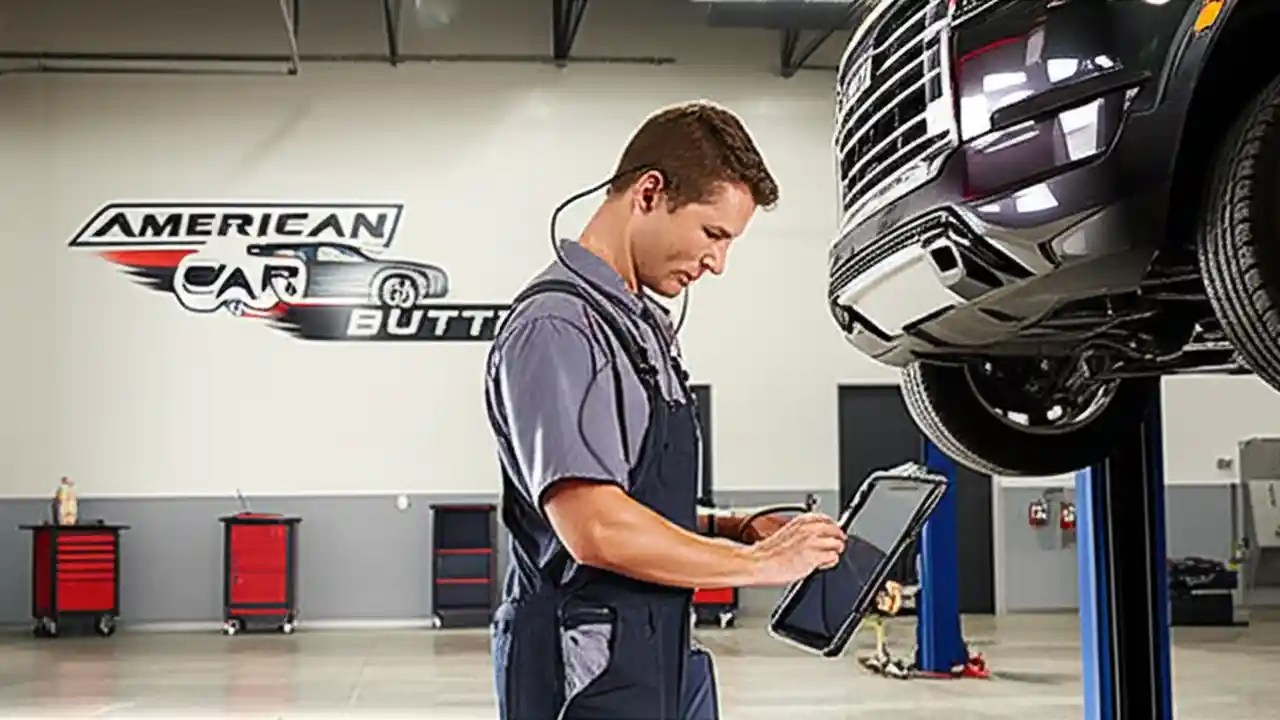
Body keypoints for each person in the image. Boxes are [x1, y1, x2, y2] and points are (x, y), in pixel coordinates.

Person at [483, 100, 849, 720]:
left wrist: (729, 526)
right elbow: (593, 527)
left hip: (656, 657)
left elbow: (633, 500)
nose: (718, 263)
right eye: (713, 234)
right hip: (582, 677)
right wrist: (757, 564)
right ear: (649, 193)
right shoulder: (558, 329)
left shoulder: (638, 325)